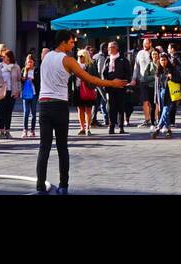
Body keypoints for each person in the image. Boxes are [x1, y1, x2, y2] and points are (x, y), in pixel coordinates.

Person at [34, 30, 127, 194]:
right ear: (63, 42)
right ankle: (63, 186)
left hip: (43, 105)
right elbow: (89, 79)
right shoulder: (67, 60)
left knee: (44, 148)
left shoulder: (46, 57)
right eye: (71, 42)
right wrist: (112, 83)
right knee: (62, 147)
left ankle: (40, 186)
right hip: (59, 105)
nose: (73, 45)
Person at [99, 41, 131, 135]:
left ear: (115, 48)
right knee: (111, 107)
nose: (108, 49)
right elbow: (103, 73)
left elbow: (128, 73)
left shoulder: (123, 60)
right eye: (108, 47)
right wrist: (105, 83)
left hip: (120, 87)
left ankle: (121, 127)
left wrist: (123, 81)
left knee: (121, 107)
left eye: (110, 47)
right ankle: (111, 126)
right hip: (110, 87)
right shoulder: (108, 60)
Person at [0, 49, 21, 139]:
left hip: (12, 92)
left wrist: (18, 90)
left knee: (9, 112)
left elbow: (18, 80)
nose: (3, 58)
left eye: (4, 56)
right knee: (1, 112)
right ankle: (1, 131)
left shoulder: (16, 67)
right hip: (2, 91)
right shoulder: (0, 66)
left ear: (9, 57)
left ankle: (7, 131)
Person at [131, 38, 156, 128]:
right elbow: (136, 67)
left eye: (147, 43)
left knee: (154, 101)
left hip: (153, 80)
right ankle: (147, 119)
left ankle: (155, 119)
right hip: (142, 80)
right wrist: (133, 79)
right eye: (144, 43)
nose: (145, 45)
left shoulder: (155, 52)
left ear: (150, 43)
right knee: (144, 100)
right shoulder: (140, 53)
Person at [21, 54, 38, 138]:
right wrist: (25, 72)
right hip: (25, 94)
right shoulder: (24, 69)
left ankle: (32, 130)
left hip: (34, 94)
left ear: (33, 62)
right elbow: (21, 80)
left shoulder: (36, 70)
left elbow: (39, 82)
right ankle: (25, 130)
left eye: (31, 62)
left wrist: (33, 80)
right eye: (28, 62)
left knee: (33, 113)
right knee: (26, 113)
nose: (30, 63)